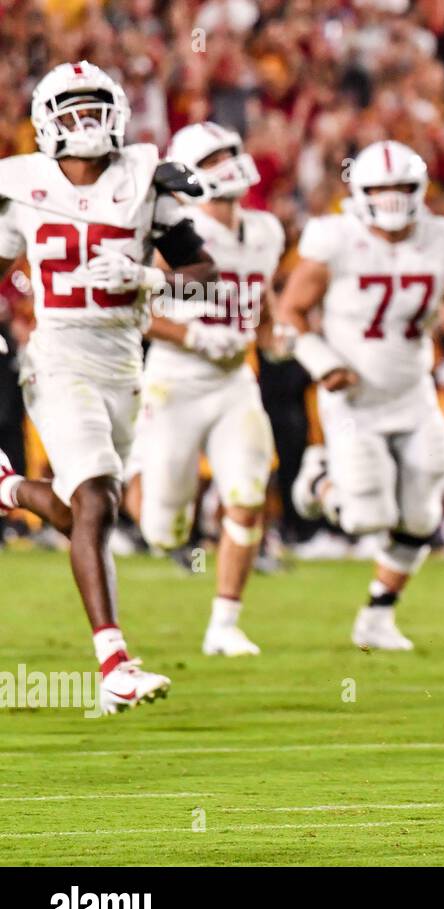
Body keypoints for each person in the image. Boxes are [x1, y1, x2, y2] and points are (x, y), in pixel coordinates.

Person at [0, 61, 217, 712]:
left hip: (125, 364)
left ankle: (9, 488)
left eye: (97, 106)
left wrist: (149, 280)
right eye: (72, 108)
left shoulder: (147, 177)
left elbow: (202, 272)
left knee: (92, 512)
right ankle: (115, 662)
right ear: (46, 120)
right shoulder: (22, 185)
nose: (87, 120)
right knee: (95, 497)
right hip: (58, 356)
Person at [279, 140, 444, 650]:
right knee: (367, 516)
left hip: (412, 390)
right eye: (381, 189)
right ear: (358, 192)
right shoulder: (333, 237)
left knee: (423, 514)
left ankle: (378, 616)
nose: (392, 198)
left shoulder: (442, 236)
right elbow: (289, 312)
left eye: (403, 187)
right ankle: (317, 480)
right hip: (353, 396)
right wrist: (323, 363)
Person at [123, 121, 285, 656]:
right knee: (164, 530)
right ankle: (133, 472)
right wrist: (194, 334)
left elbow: (260, 304)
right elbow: (134, 309)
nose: (230, 164)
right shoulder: (175, 226)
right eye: (215, 158)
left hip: (236, 381)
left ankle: (225, 624)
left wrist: (279, 336)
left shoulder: (266, 231)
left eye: (232, 153)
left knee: (246, 494)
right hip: (175, 380)